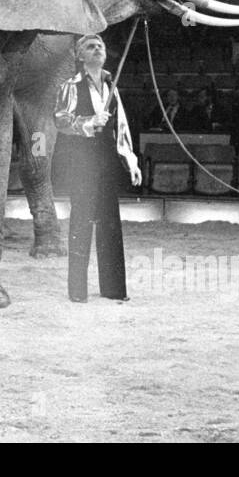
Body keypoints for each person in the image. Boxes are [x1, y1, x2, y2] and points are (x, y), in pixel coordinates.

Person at [54, 34, 142, 303]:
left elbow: (122, 128)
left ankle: (113, 288)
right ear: (80, 56)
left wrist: (131, 160)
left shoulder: (111, 86)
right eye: (91, 47)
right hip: (81, 161)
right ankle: (78, 291)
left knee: (110, 223)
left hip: (105, 160)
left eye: (101, 46)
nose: (97, 49)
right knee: (81, 223)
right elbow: (60, 120)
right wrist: (90, 122)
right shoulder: (70, 86)